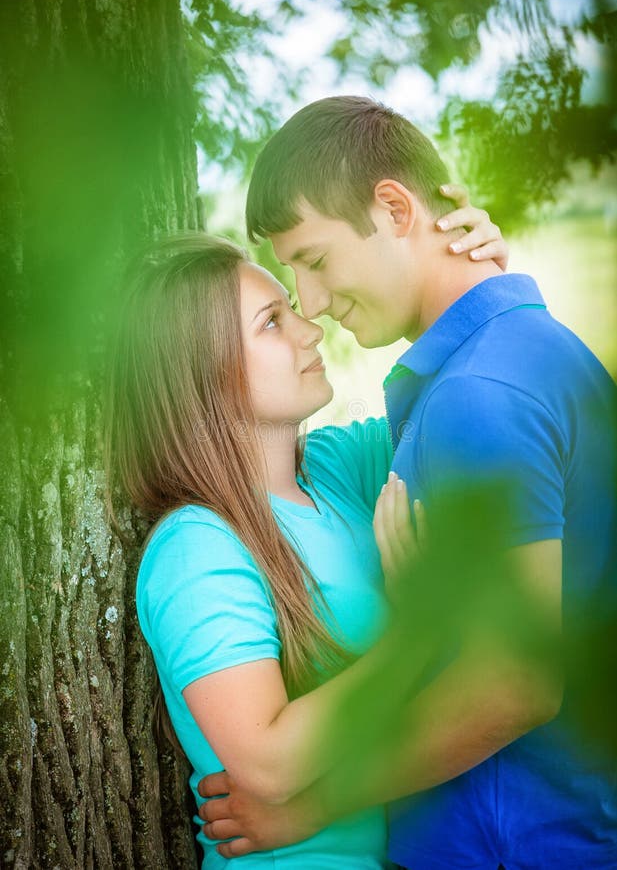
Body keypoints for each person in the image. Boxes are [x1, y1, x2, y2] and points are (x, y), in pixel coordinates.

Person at [198, 96, 617, 868]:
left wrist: (313, 808)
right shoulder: (527, 353)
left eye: (314, 260)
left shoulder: (479, 394)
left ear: (394, 209)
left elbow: (513, 685)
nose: (312, 303)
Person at [106, 211, 506, 868]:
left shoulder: (338, 470)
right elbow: (266, 765)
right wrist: (419, 632)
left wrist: (479, 283)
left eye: (291, 309)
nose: (310, 328)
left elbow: (476, 405)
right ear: (202, 371)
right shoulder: (196, 547)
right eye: (272, 322)